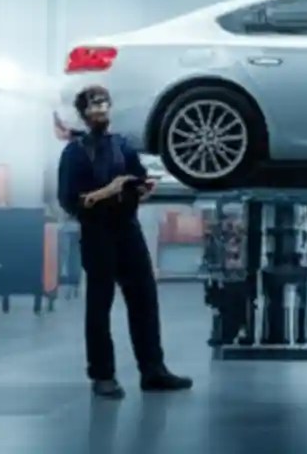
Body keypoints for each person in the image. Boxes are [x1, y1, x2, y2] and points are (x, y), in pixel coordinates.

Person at [57, 84, 193, 399]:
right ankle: (102, 375)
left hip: (128, 229)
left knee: (144, 299)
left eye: (104, 103)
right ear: (83, 113)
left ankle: (153, 370)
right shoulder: (74, 153)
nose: (100, 110)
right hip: (97, 232)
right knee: (99, 304)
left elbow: (136, 179)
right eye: (93, 105)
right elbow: (70, 201)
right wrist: (108, 190)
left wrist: (141, 190)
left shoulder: (123, 146)